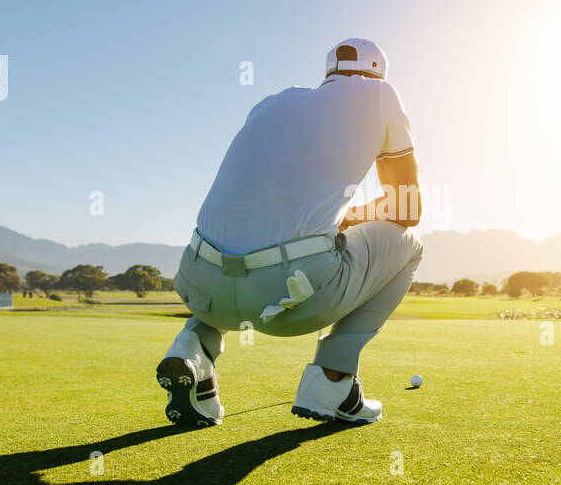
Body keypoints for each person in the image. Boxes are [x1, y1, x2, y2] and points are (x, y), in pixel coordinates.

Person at [157, 38, 423, 427]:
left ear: (328, 73)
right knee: (410, 245)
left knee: (238, 246)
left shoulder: (272, 102)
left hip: (202, 286)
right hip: (289, 299)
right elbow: (407, 209)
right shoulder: (380, 93)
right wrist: (349, 216)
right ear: (378, 72)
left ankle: (193, 348)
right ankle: (332, 381)